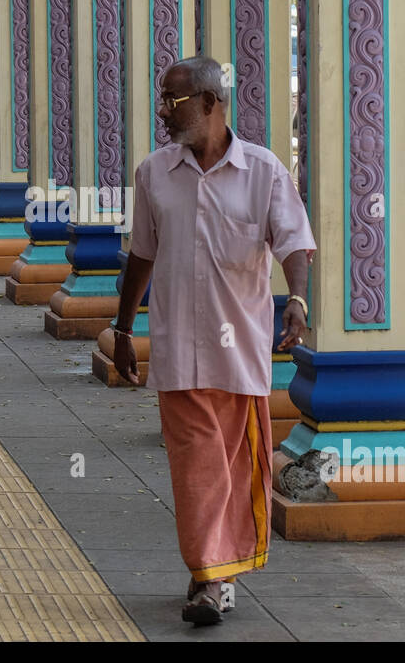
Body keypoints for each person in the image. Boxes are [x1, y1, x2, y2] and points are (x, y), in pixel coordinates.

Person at [113, 56, 316, 626]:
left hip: (240, 352)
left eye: (172, 101)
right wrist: (124, 330)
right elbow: (142, 255)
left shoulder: (264, 170)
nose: (162, 111)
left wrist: (296, 299)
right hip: (177, 349)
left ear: (210, 103)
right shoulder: (154, 172)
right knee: (197, 466)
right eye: (162, 98)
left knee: (233, 469)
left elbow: (293, 242)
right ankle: (210, 577)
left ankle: (214, 572)